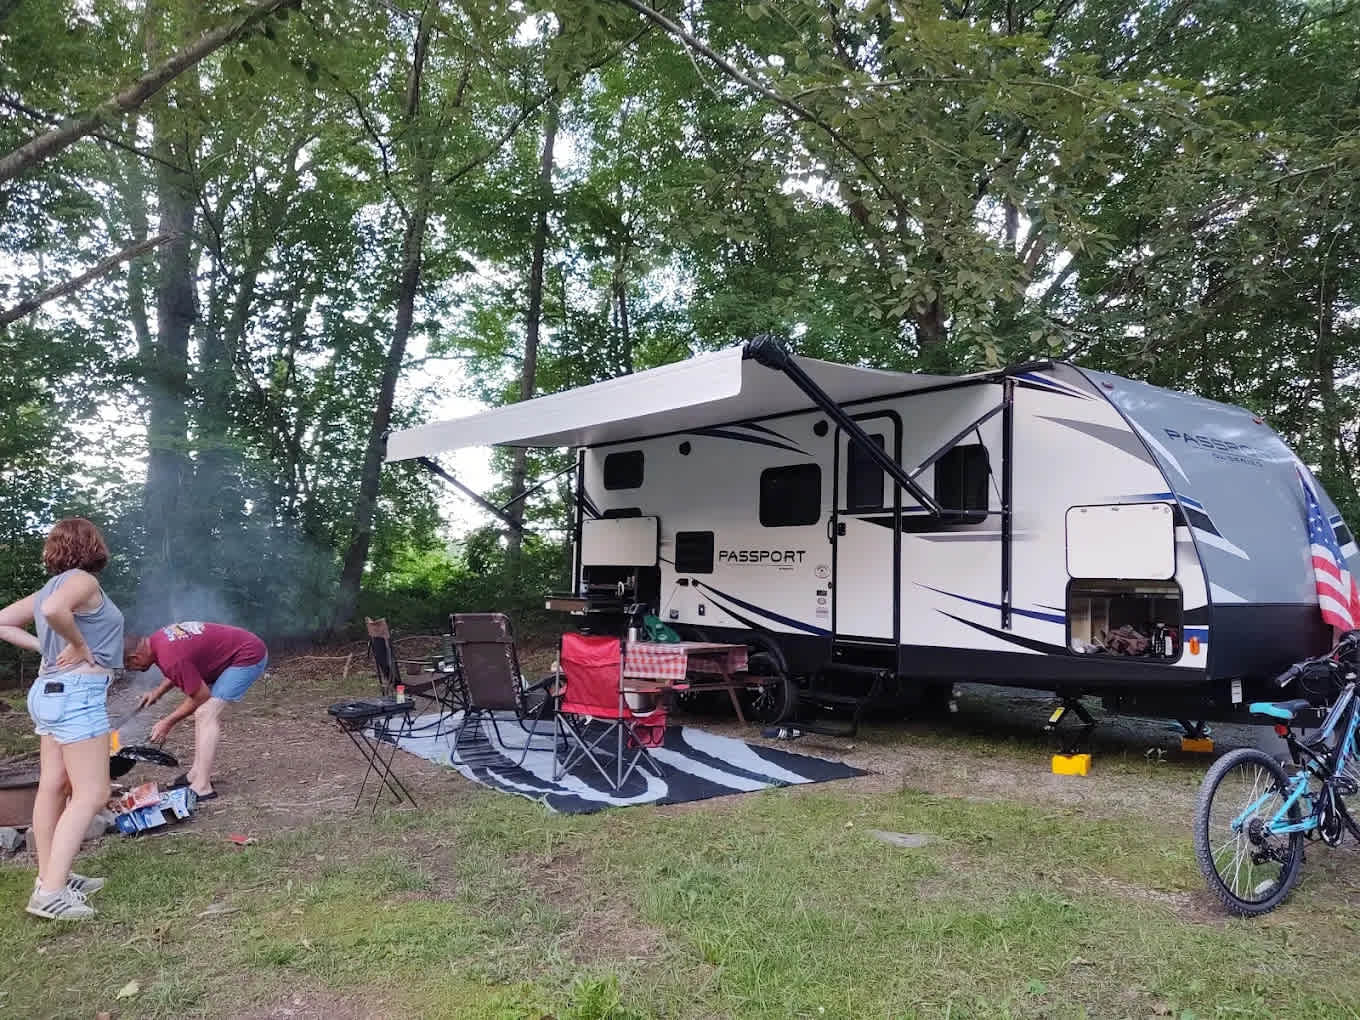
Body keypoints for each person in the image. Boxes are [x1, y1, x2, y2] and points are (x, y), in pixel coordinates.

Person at [0, 518, 123, 921]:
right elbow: (54, 612)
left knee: (53, 786)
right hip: (75, 695)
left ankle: (50, 877)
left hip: (49, 692)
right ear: (93, 546)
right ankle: (51, 894)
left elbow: (4, 621)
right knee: (92, 793)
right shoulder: (82, 581)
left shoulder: (50, 587)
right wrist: (78, 644)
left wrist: (45, 648)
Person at [125, 622, 268, 799]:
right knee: (202, 712)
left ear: (135, 657)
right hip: (238, 648)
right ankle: (196, 774)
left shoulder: (169, 656)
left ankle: (203, 786)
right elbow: (183, 665)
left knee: (206, 712)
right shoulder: (159, 639)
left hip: (247, 656)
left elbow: (201, 695)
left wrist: (168, 722)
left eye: (131, 667)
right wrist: (157, 692)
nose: (136, 671)